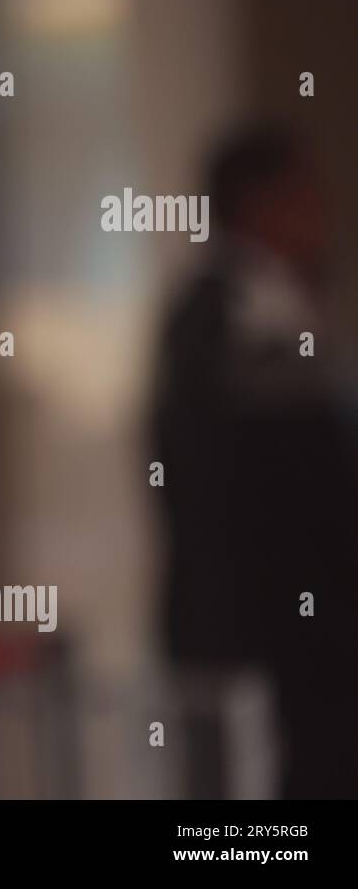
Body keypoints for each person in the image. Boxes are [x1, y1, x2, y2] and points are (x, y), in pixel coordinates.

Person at [149, 118, 358, 798]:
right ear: (260, 201)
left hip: (285, 625)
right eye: (305, 194)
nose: (321, 213)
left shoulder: (281, 302)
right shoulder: (222, 312)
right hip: (258, 625)